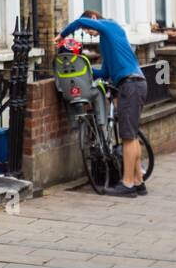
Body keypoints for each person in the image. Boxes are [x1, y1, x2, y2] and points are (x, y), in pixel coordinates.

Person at [59, 11, 148, 197]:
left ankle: (127, 184)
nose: (86, 31)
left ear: (93, 20)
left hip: (131, 84)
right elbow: (105, 72)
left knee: (128, 137)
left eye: (87, 29)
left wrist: (62, 34)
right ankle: (139, 182)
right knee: (131, 136)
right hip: (133, 84)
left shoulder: (110, 25)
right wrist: (79, 68)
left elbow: (80, 20)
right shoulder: (105, 42)